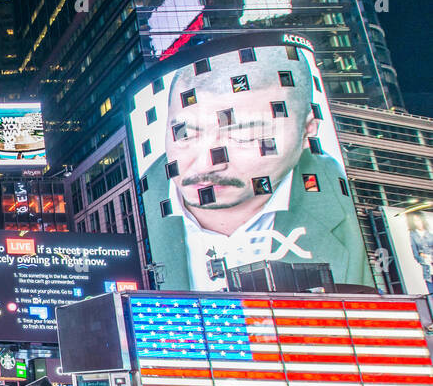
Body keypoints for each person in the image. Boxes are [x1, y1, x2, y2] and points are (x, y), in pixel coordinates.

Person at [137, 42, 369, 290]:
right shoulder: (140, 202)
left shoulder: (346, 201)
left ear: (307, 130)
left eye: (245, 136)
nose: (206, 164)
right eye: (185, 134)